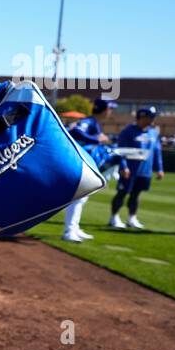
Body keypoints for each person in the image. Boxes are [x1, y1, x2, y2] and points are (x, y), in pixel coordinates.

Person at [61, 98, 116, 242]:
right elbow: (76, 131)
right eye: (110, 108)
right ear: (104, 109)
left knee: (82, 198)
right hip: (78, 163)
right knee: (78, 198)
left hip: (82, 162)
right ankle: (69, 231)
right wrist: (97, 140)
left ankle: (74, 228)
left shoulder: (95, 123)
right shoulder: (90, 121)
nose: (110, 112)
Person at [108, 106, 164, 229]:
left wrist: (159, 169)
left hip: (145, 171)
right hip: (129, 170)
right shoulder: (128, 131)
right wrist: (124, 167)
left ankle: (132, 218)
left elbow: (157, 152)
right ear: (142, 117)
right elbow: (121, 151)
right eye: (151, 116)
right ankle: (114, 217)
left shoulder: (153, 133)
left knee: (136, 195)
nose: (153, 119)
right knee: (122, 193)